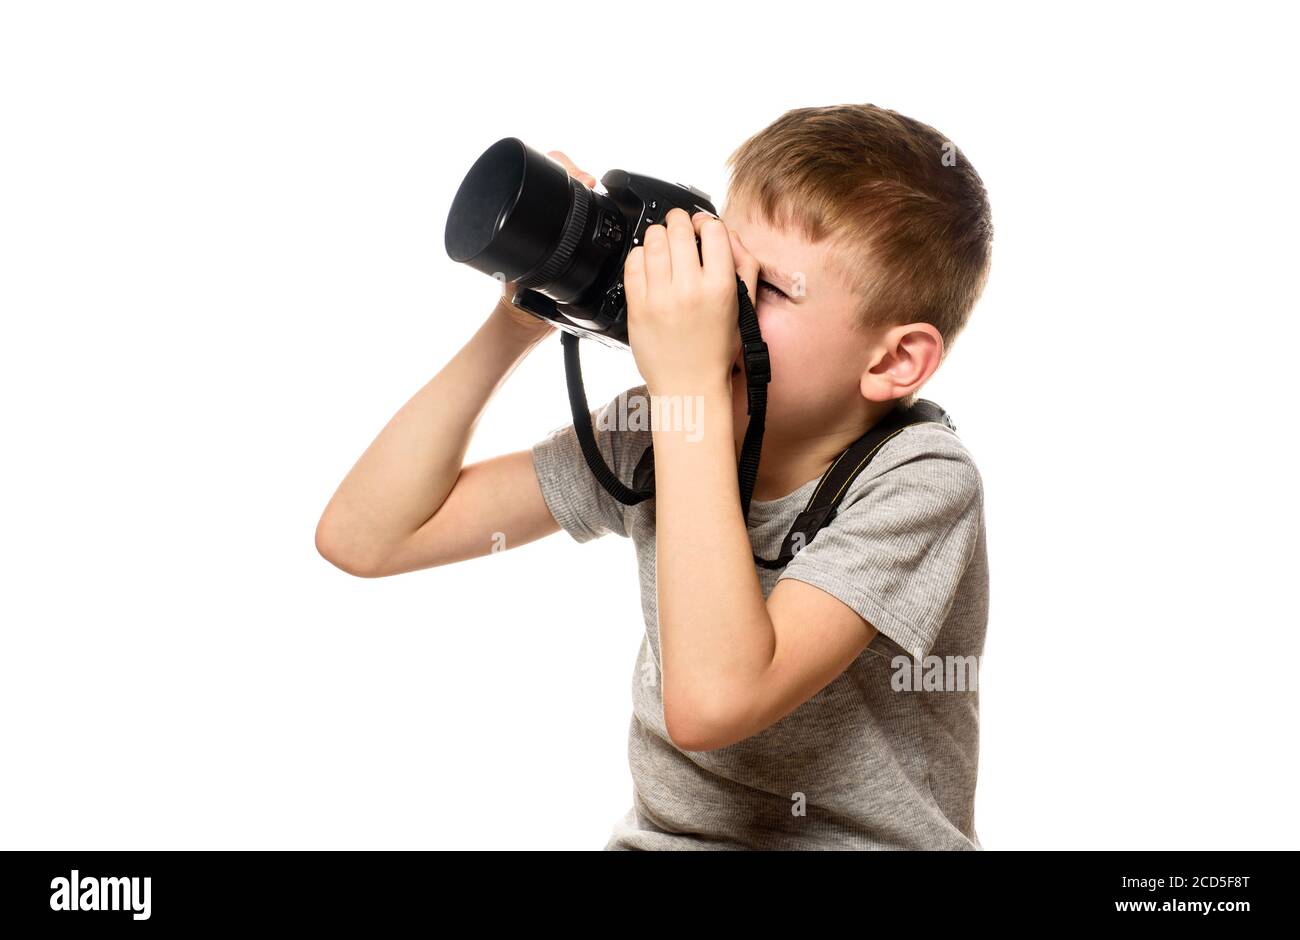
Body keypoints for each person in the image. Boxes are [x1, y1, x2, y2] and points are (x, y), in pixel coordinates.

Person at [315, 103, 994, 850]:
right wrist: (521, 319)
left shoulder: (918, 478)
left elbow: (714, 702)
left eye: (764, 288)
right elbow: (368, 537)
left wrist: (689, 395)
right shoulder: (661, 427)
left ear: (894, 361)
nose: (714, 296)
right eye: (719, 258)